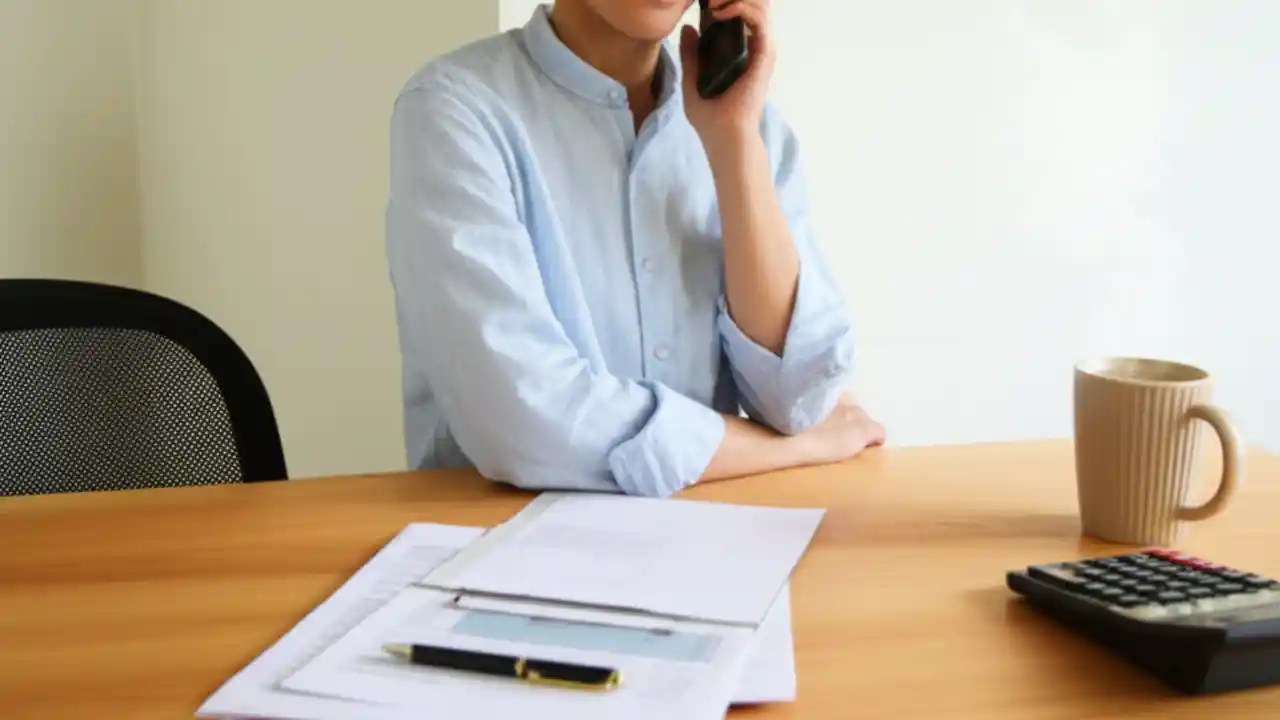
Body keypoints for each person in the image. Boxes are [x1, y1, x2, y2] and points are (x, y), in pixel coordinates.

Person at [386, 0, 884, 497]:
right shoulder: (456, 109)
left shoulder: (750, 126)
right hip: (494, 546)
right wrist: (787, 451)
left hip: (711, 544)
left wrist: (734, 144)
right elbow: (526, 424)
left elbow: (800, 398)